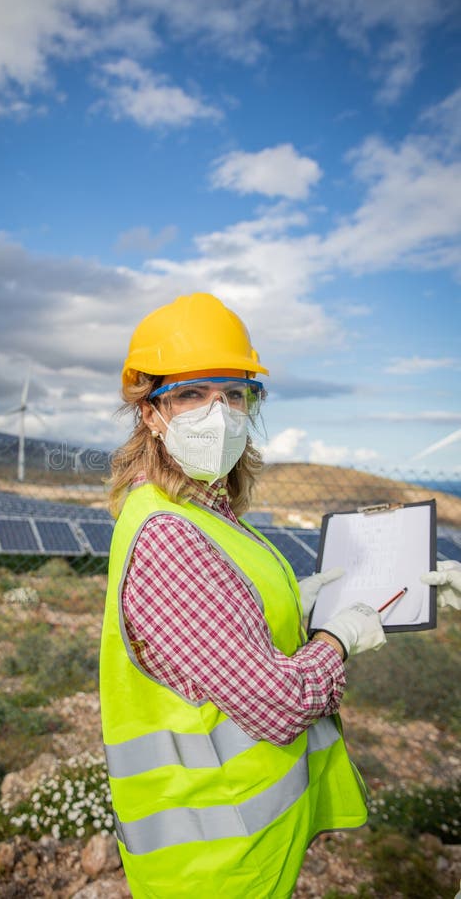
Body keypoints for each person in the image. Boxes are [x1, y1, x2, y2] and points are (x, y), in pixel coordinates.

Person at [99, 292, 461, 898]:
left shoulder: (201, 510)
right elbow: (283, 703)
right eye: (191, 393)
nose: (218, 413)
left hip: (245, 833)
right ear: (150, 413)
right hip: (213, 862)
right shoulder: (168, 533)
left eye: (233, 394)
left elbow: (226, 621)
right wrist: (338, 637)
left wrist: (319, 598)